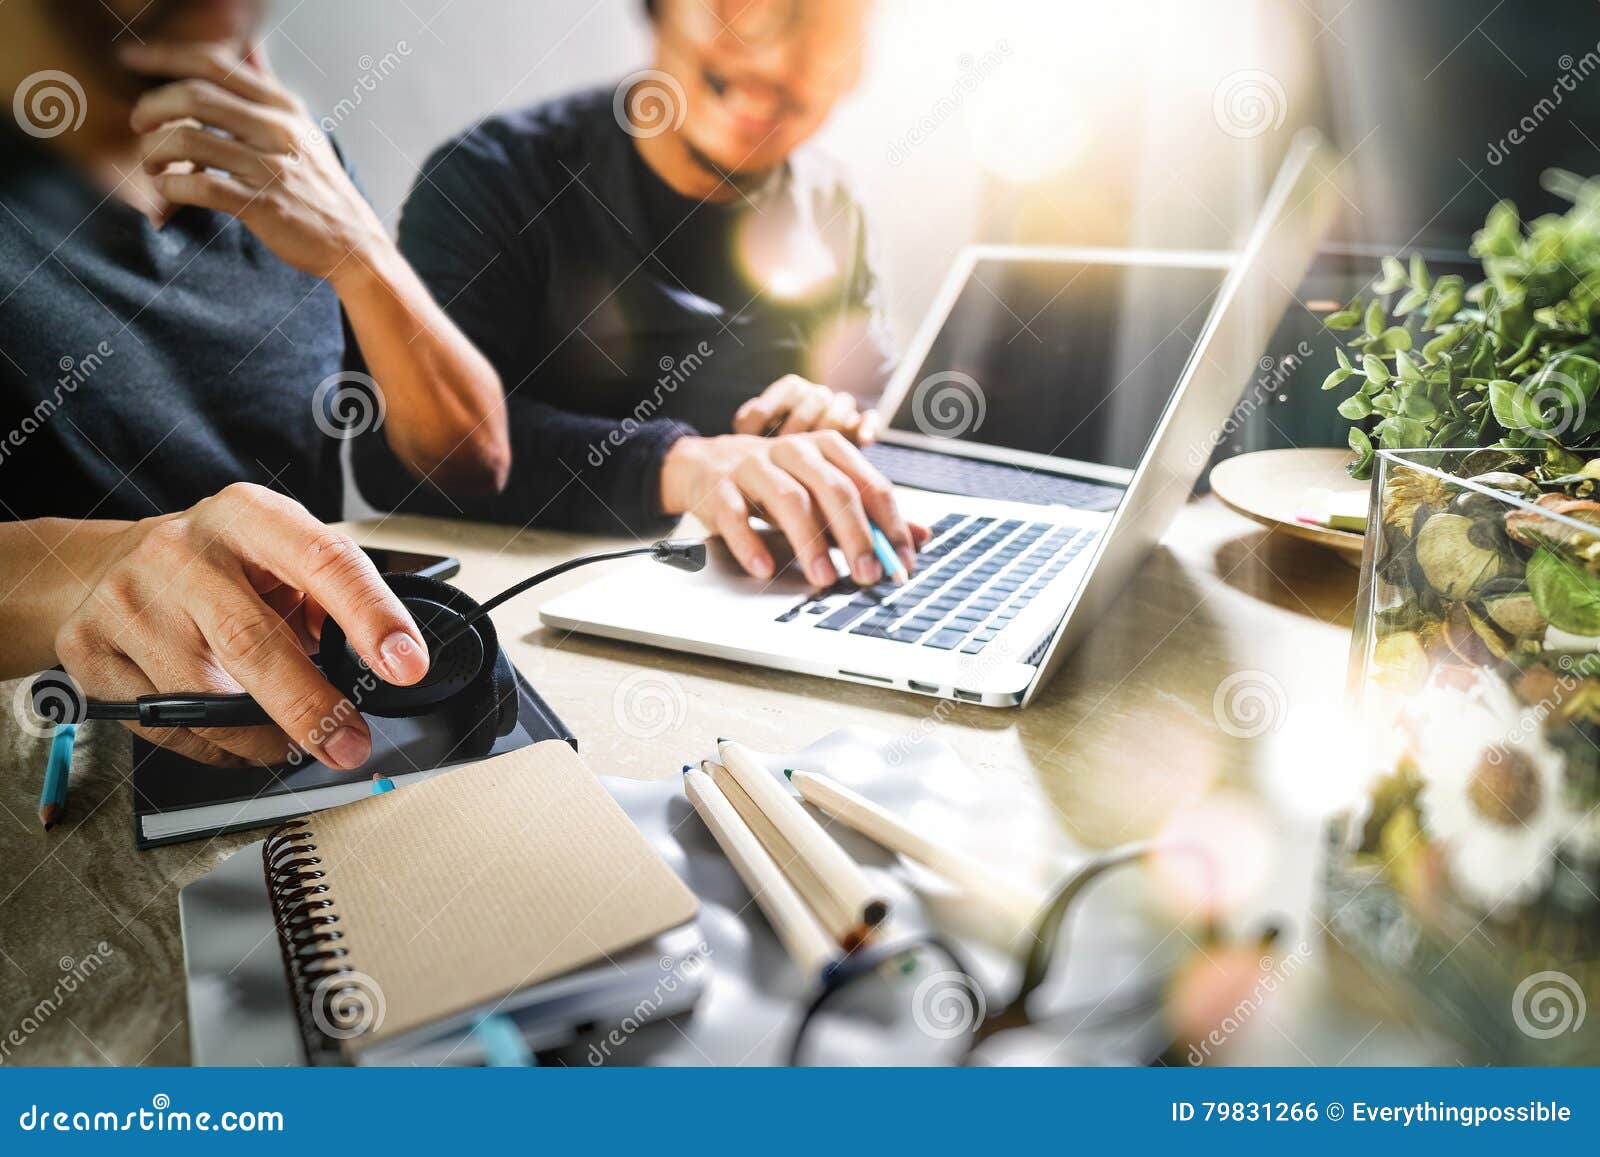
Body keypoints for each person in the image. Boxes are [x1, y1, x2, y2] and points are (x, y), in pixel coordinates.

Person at [0, 0, 512, 768]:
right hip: (64, 749)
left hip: (324, 719)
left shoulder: (295, 155)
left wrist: (361, 252)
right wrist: (102, 566)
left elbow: (474, 460)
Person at [355, 0, 924, 589]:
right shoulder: (491, 182)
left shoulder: (829, 201)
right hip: (542, 594)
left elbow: (877, 402)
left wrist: (841, 418)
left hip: (777, 586)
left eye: (821, 28)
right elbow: (397, 459)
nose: (778, 60)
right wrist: (678, 467)